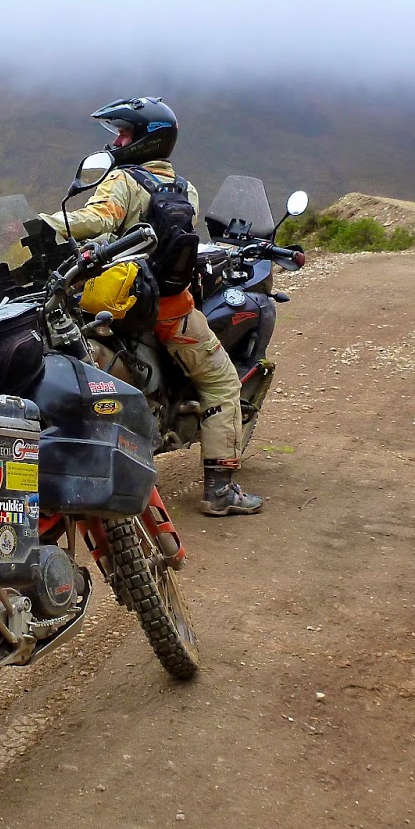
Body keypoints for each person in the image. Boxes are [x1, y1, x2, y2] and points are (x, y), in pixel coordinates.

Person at [46, 96, 262, 516]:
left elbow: (97, 221)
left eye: (124, 133)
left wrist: (43, 224)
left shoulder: (122, 181)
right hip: (166, 307)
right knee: (219, 383)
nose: (117, 141)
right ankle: (219, 491)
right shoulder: (187, 190)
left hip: (112, 302)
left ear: (145, 139)